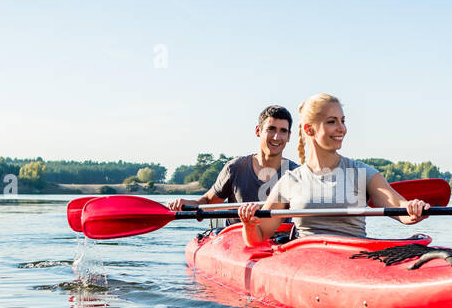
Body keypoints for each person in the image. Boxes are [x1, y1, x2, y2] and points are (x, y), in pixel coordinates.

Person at [238, 94, 427, 246]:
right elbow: (258, 237)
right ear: (309, 129)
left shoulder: (362, 173)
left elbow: (401, 211)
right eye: (332, 121)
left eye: (342, 120)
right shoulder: (290, 181)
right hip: (307, 264)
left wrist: (413, 209)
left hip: (355, 259)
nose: (342, 128)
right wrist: (249, 224)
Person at [167, 105, 297, 212]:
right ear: (258, 131)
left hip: (282, 241)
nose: (276, 137)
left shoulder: (297, 174)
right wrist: (186, 203)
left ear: (289, 136)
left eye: (283, 131)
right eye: (271, 129)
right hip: (238, 240)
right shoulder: (235, 168)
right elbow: (208, 202)